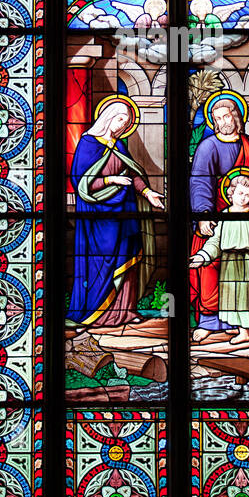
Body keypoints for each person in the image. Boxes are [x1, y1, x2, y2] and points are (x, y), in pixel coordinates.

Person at [189, 93, 249, 336]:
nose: (223, 121)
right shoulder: (207, 146)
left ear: (237, 116)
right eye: (217, 117)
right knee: (210, 267)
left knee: (246, 277)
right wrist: (203, 215)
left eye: (227, 115)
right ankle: (210, 321)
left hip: (245, 215)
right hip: (215, 216)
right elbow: (199, 183)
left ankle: (242, 322)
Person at [68, 97, 164, 329]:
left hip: (125, 211)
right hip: (97, 216)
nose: (122, 124)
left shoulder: (120, 146)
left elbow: (133, 174)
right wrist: (110, 179)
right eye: (120, 119)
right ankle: (96, 314)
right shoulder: (89, 144)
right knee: (99, 263)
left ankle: (125, 311)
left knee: (126, 257)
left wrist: (148, 193)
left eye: (127, 121)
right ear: (108, 117)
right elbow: (80, 182)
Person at [189, 171, 249, 353]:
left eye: (248, 195)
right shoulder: (224, 215)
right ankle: (243, 333)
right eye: (240, 193)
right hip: (229, 262)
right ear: (231, 193)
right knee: (235, 300)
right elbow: (215, 242)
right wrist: (202, 256)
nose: (244, 198)